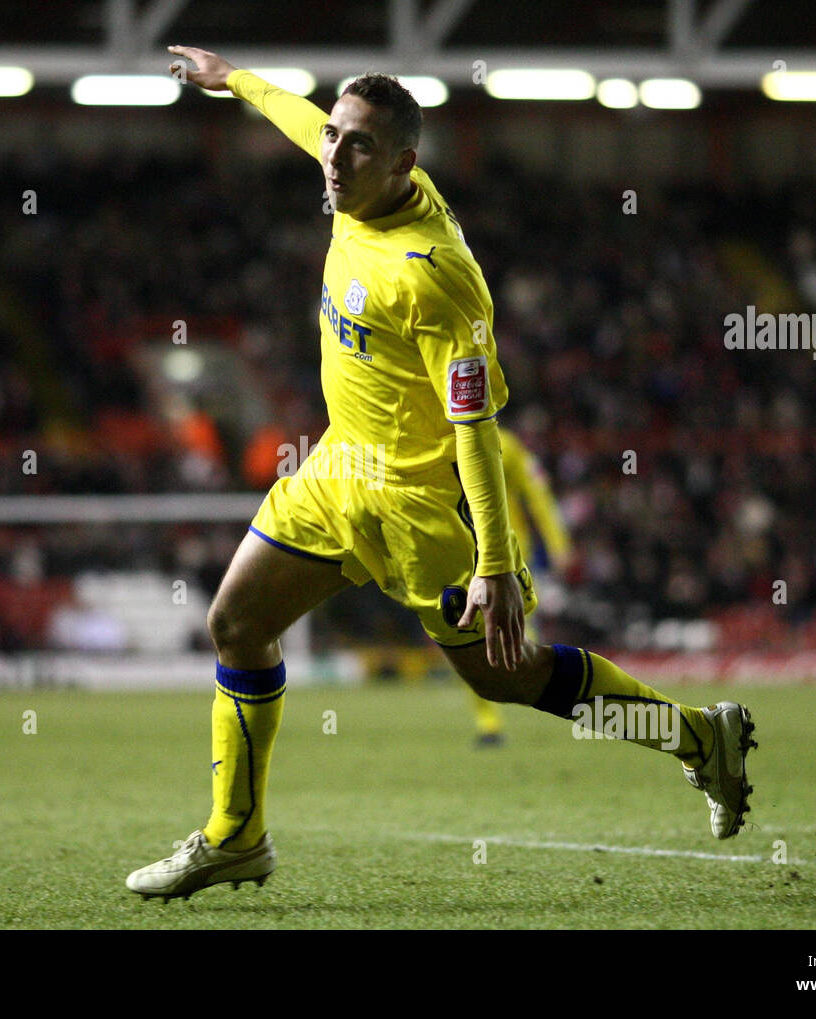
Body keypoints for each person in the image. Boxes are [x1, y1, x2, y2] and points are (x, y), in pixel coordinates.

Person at [126, 48, 756, 901]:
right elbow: (300, 118)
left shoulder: (436, 279)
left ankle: (696, 738)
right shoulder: (352, 180)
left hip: (419, 505)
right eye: (335, 140)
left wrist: (496, 564)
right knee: (236, 623)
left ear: (403, 164)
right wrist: (231, 76)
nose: (334, 158)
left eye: (355, 148)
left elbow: (477, 430)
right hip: (337, 468)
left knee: (512, 677)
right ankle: (235, 835)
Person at [471, 426, 574, 746]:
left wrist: (559, 545)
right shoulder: (437, 442)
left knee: (517, 629)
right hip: (463, 549)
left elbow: (537, 495)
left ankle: (548, 687)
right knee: (467, 633)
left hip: (511, 552)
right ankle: (489, 724)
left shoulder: (507, 446)